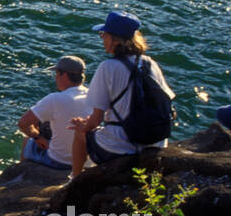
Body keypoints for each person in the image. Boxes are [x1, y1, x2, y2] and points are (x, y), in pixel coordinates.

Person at [69, 11, 176, 178]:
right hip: (156, 143)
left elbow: (96, 120)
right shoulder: (150, 63)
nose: (102, 38)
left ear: (115, 39)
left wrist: (84, 125)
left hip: (122, 146)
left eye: (103, 34)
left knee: (80, 134)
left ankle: (73, 183)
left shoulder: (108, 67)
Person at [17, 56, 94, 175]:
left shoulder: (55, 99)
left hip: (59, 162)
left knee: (27, 139)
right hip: (88, 162)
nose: (55, 78)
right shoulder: (93, 95)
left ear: (64, 75)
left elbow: (22, 124)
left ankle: (21, 175)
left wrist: (38, 138)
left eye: (57, 74)